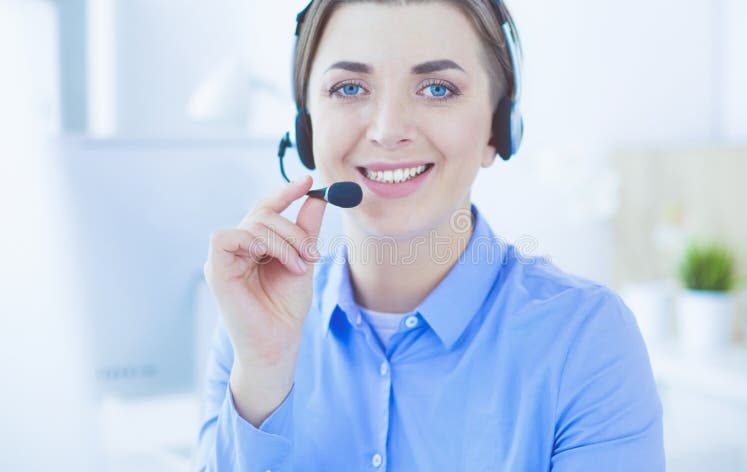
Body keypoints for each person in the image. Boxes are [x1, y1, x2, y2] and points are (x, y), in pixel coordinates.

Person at [196, 1, 665, 470]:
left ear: (498, 129)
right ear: (305, 127)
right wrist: (262, 378)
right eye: (350, 87)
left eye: (438, 88)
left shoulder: (586, 342)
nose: (387, 130)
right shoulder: (253, 331)